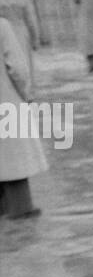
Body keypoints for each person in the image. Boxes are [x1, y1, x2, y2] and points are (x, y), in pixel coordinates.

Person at [0, 14, 45, 219]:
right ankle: (20, 208)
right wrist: (27, 94)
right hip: (5, 101)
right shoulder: (2, 26)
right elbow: (17, 68)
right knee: (13, 159)